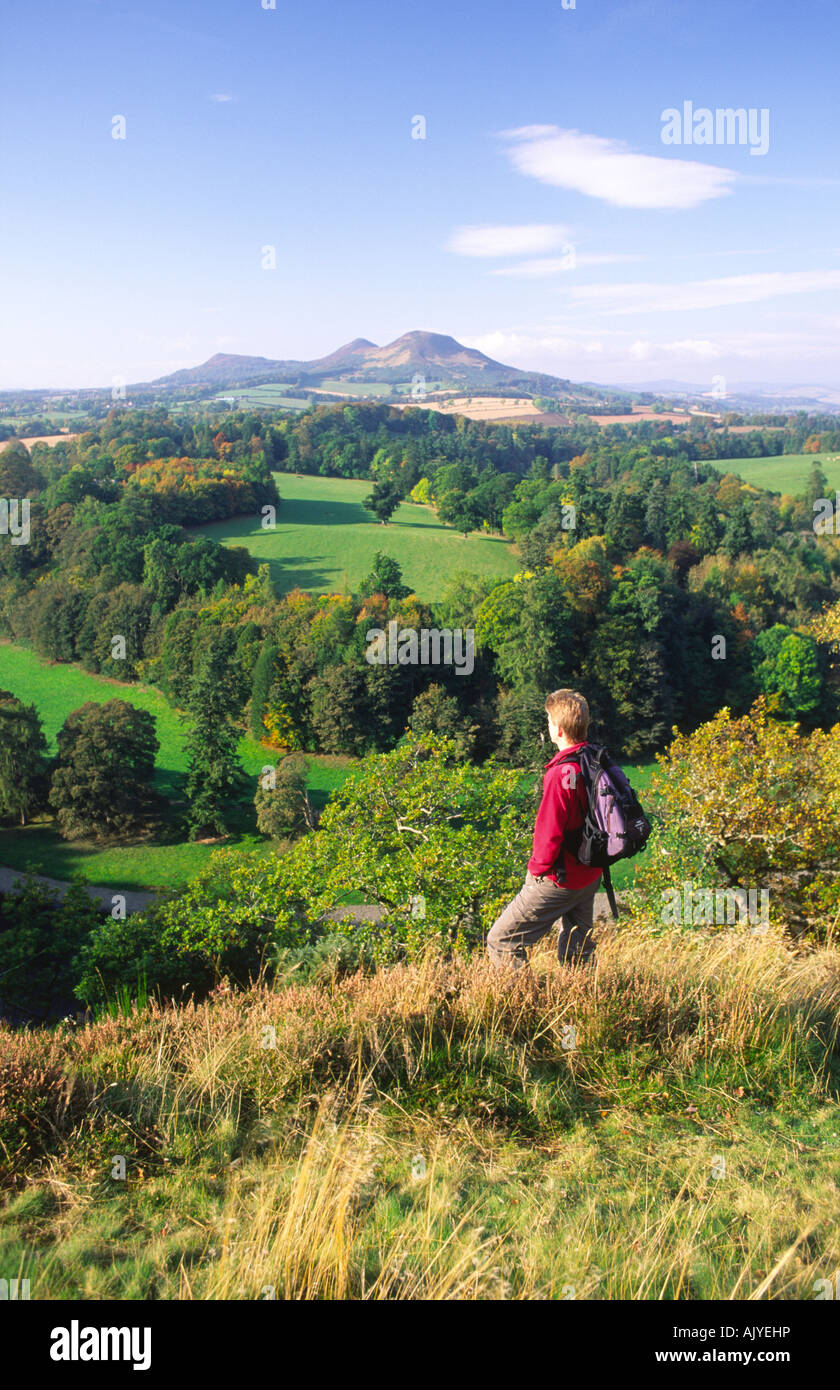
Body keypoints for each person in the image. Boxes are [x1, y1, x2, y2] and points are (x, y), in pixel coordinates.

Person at [487, 688, 602, 970]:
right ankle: (582, 1002)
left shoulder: (561, 773)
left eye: (549, 721)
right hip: (591, 873)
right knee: (578, 948)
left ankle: (521, 1006)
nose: (548, 726)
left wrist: (537, 869)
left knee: (502, 940)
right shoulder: (597, 760)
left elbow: (550, 831)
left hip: (560, 877)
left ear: (559, 730)